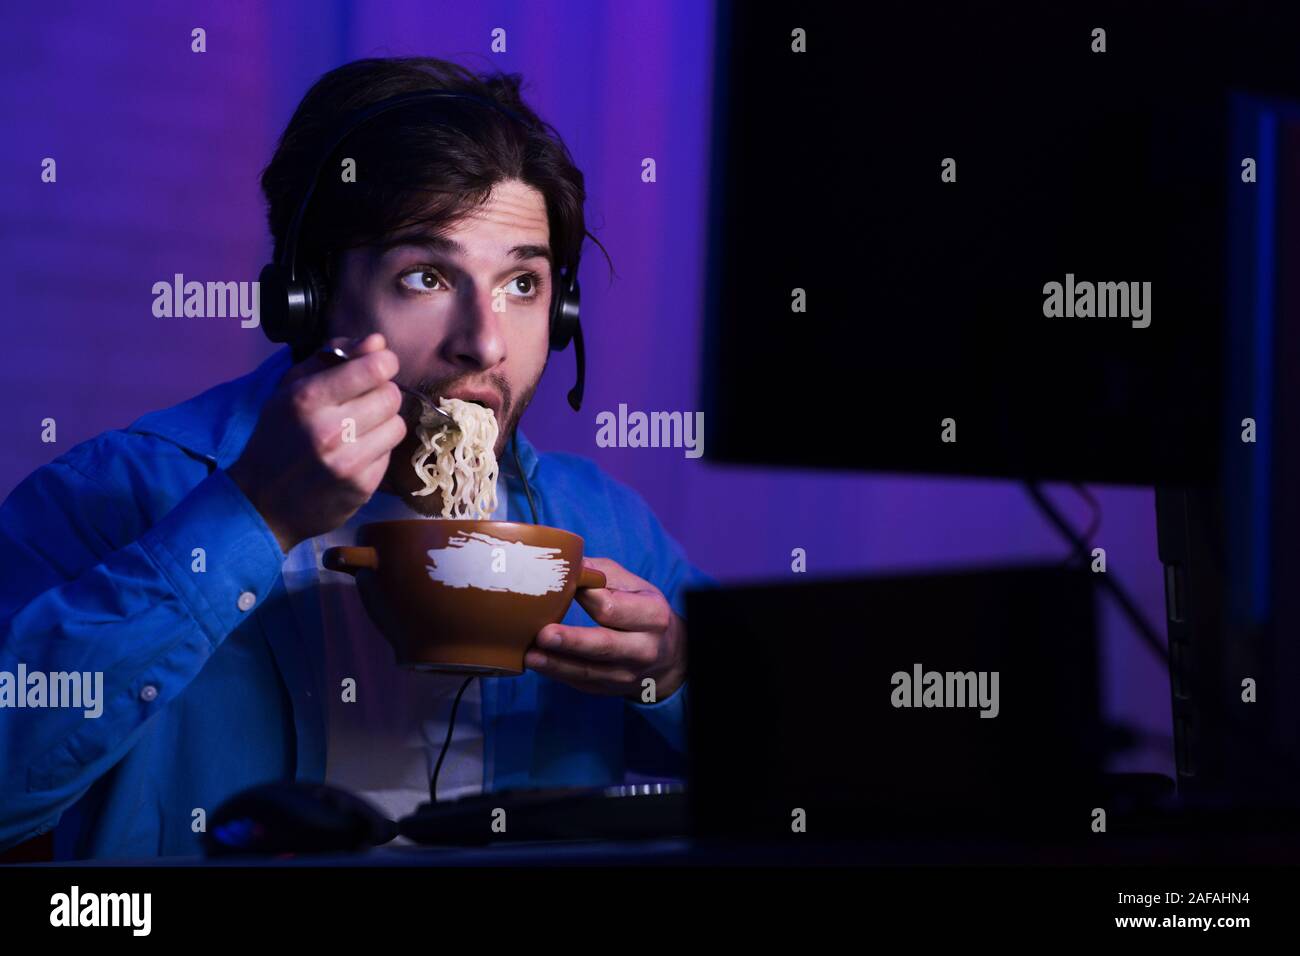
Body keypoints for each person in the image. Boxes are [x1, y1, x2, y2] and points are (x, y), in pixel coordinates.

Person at [0, 57, 712, 859]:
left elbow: (817, 773)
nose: (483, 341)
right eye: (426, 276)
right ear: (309, 299)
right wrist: (253, 515)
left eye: (522, 284)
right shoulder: (114, 494)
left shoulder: (603, 523)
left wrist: (678, 675)